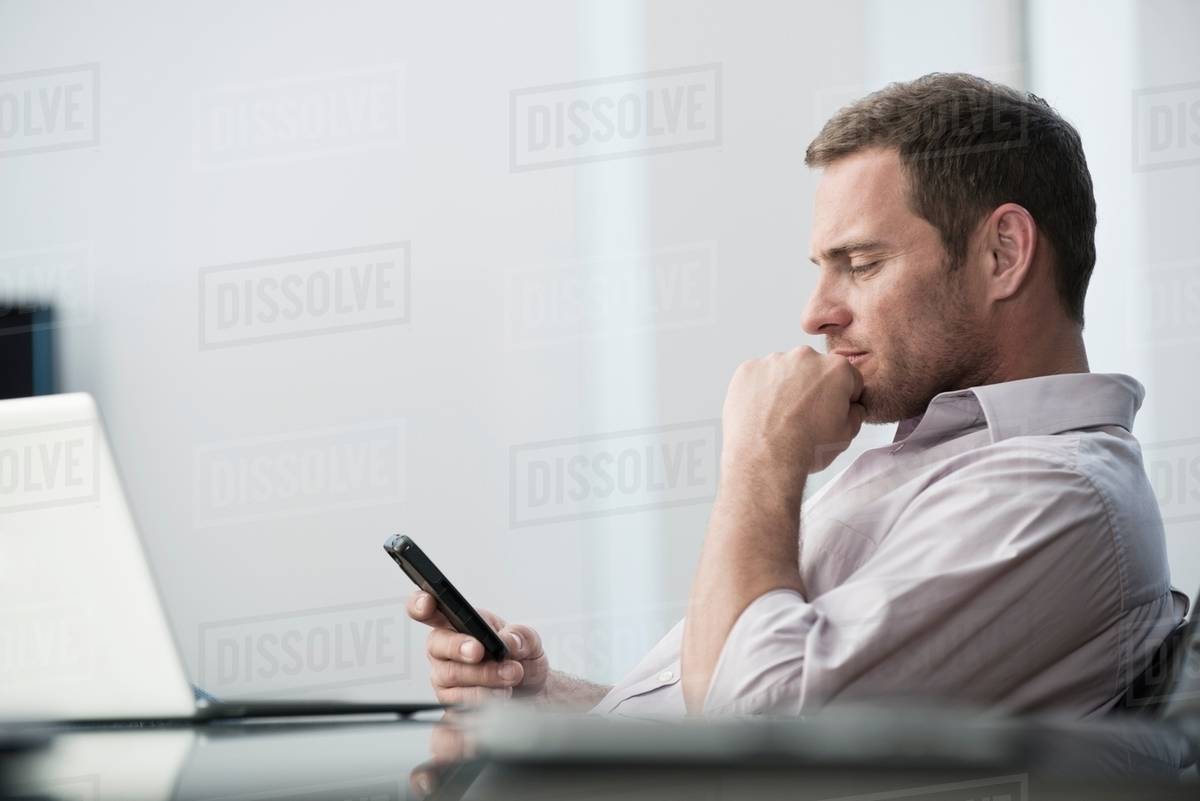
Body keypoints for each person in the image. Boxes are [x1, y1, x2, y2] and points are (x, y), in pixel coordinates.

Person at [408, 72, 1187, 718]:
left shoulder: (1055, 495)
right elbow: (725, 695)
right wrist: (545, 698)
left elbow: (752, 742)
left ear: (1002, 252)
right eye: (821, 265)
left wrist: (760, 456)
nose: (816, 313)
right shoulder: (946, 464)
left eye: (861, 263)